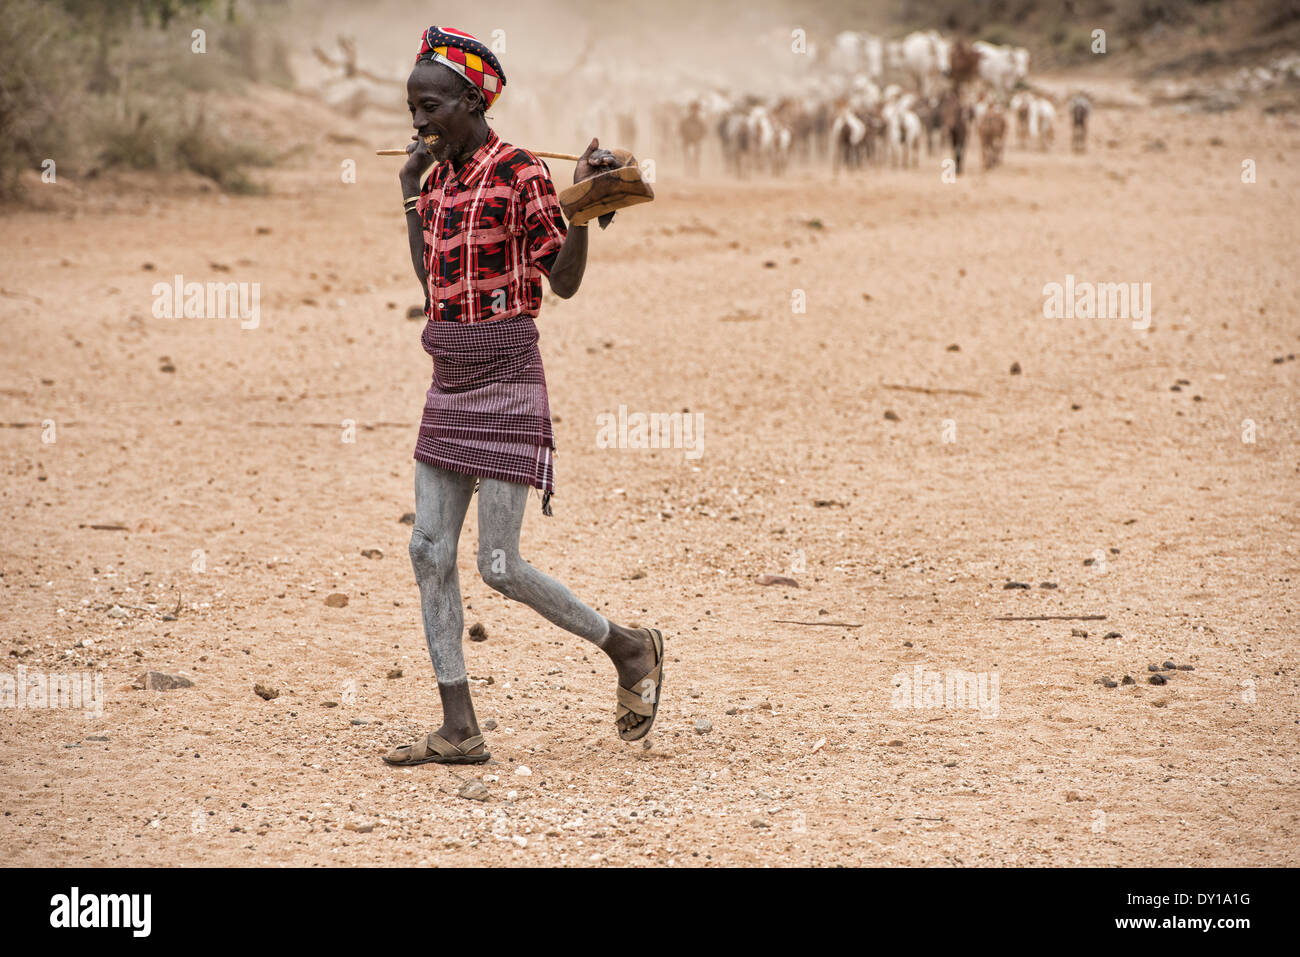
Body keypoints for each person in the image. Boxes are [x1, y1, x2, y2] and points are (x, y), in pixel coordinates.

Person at [383, 26, 663, 767]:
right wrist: (409, 192)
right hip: (448, 379)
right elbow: (430, 283)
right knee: (425, 550)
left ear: (473, 101)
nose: (418, 121)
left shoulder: (522, 174)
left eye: (431, 105)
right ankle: (460, 726)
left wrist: (579, 211)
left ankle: (629, 647)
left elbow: (562, 282)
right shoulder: (436, 180)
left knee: (499, 565)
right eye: (412, 107)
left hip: (507, 378)